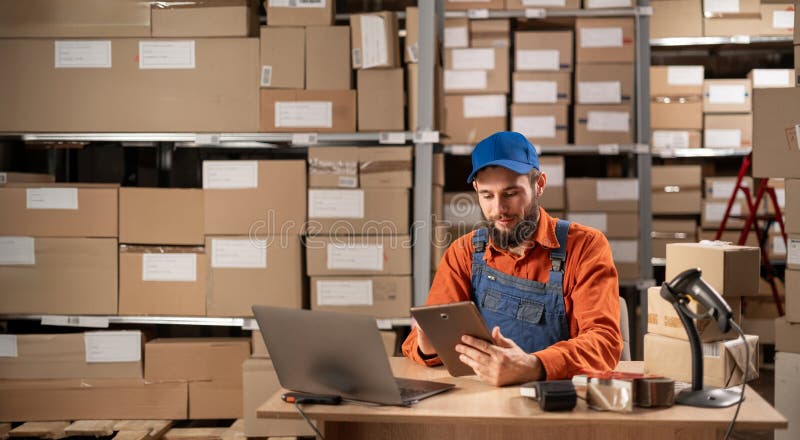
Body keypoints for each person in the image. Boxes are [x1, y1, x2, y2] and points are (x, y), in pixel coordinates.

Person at [402, 131, 622, 386]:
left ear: (538, 184)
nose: (499, 209)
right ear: (475, 189)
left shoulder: (584, 246)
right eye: (487, 195)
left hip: (555, 403)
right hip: (482, 399)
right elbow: (418, 344)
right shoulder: (463, 253)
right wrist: (427, 346)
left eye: (510, 194)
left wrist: (533, 365)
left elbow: (604, 343)